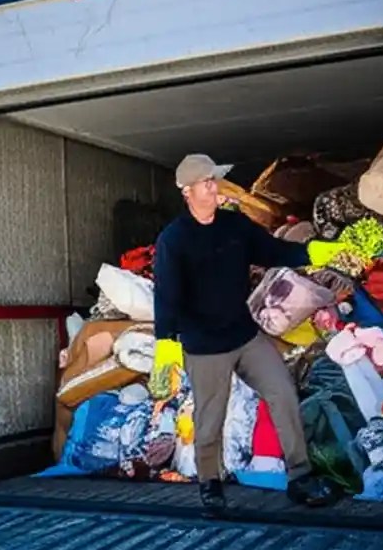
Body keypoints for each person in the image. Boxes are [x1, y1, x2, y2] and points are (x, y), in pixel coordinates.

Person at [149, 153, 349, 509]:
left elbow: (273, 249)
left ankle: (300, 478)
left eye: (215, 181)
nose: (214, 187)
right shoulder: (173, 240)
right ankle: (210, 484)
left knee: (283, 392)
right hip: (204, 346)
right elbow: (166, 296)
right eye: (207, 183)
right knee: (210, 420)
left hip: (244, 336)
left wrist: (317, 252)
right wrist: (166, 345)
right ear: (187, 191)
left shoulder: (235, 226)